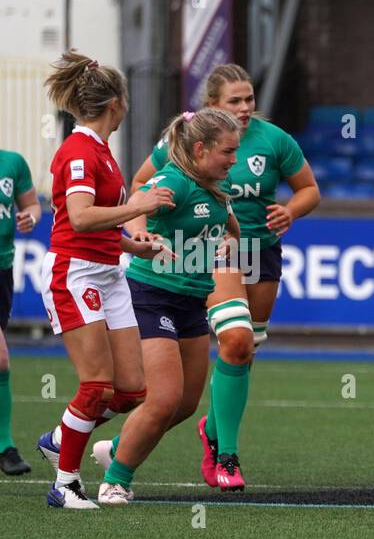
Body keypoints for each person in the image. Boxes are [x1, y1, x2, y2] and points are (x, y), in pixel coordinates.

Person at [131, 63, 321, 489]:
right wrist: (140, 223)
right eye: (234, 100)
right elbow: (142, 182)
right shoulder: (188, 138)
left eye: (249, 98)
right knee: (234, 340)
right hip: (215, 248)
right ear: (212, 105)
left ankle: (209, 432)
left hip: (262, 250)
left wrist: (290, 210)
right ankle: (228, 456)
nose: (245, 107)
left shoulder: (274, 140)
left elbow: (310, 189)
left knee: (243, 350)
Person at [33, 50, 175, 509]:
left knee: (131, 390)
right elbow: (79, 216)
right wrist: (141, 205)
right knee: (95, 386)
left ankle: (62, 435)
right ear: (117, 102)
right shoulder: (77, 150)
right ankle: (66, 484)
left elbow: (102, 226)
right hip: (76, 274)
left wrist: (137, 245)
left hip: (110, 273)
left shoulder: (102, 153)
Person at [91, 108, 242, 504]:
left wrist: (229, 242)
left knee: (186, 404)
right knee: (162, 399)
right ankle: (115, 480)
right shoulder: (174, 179)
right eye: (227, 152)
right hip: (151, 295)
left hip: (192, 302)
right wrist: (143, 234)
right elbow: (137, 208)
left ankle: (118, 446)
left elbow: (230, 229)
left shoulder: (215, 188)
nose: (234, 160)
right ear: (199, 148)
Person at [0, 148, 40, 474]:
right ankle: (6, 448)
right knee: (0, 360)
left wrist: (32, 217)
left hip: (4, 269)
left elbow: (31, 205)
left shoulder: (13, 162)